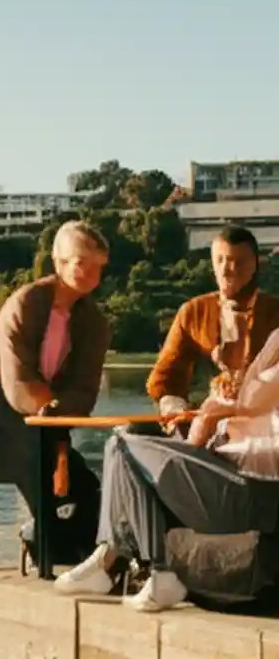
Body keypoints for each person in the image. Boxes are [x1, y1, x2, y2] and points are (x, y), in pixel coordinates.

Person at [54, 322, 279, 611]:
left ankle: (154, 570)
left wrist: (225, 411)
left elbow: (257, 416)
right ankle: (108, 557)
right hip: (224, 464)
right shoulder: (274, 339)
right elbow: (245, 403)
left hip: (254, 489)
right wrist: (217, 413)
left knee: (124, 444)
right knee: (120, 443)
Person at [0, 220, 113, 566]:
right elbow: (17, 375)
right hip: (11, 414)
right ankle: (45, 552)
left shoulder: (94, 321)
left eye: (96, 265)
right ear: (59, 262)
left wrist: (61, 410)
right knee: (45, 488)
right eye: (79, 262)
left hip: (52, 421)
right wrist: (48, 408)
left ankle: (63, 552)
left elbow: (85, 385)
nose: (88, 272)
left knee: (82, 489)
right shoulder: (26, 302)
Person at [147, 226, 279, 425]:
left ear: (255, 265)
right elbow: (165, 379)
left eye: (238, 262)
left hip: (267, 423)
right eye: (220, 260)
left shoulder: (275, 312)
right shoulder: (194, 312)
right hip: (208, 422)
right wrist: (175, 409)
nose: (227, 270)